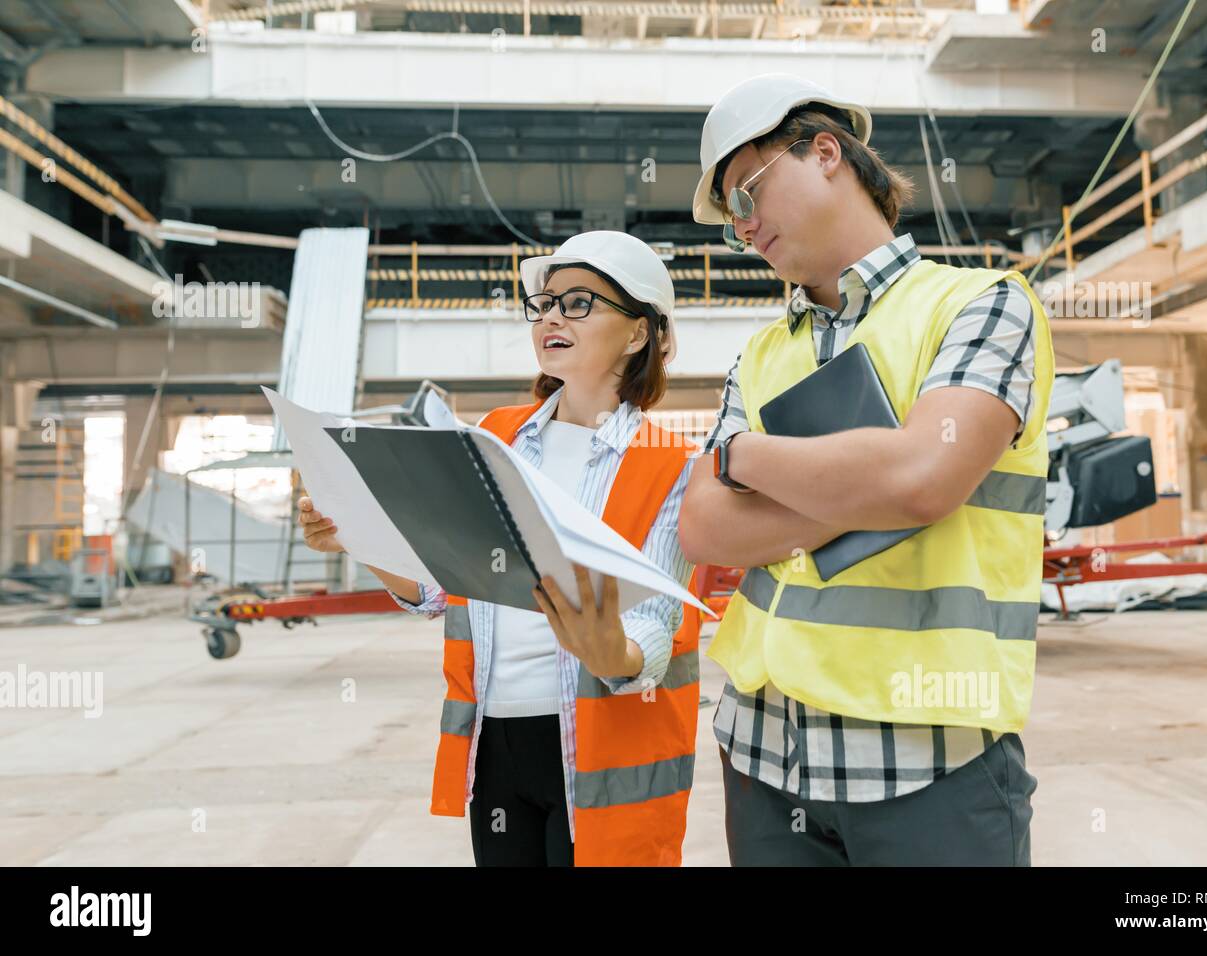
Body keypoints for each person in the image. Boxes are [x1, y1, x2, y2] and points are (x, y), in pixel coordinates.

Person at [679, 73, 1056, 866]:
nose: (743, 230)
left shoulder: (982, 305)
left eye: (745, 197)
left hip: (930, 761)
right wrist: (879, 486)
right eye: (731, 221)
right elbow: (705, 527)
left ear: (824, 153)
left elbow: (923, 478)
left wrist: (744, 455)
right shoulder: (761, 353)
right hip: (763, 753)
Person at [298, 231, 701, 866]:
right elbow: (437, 589)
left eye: (578, 303)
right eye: (543, 304)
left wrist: (614, 652)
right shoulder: (494, 437)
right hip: (498, 743)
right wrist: (358, 533)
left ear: (638, 333)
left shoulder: (675, 466)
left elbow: (658, 625)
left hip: (602, 751)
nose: (550, 318)